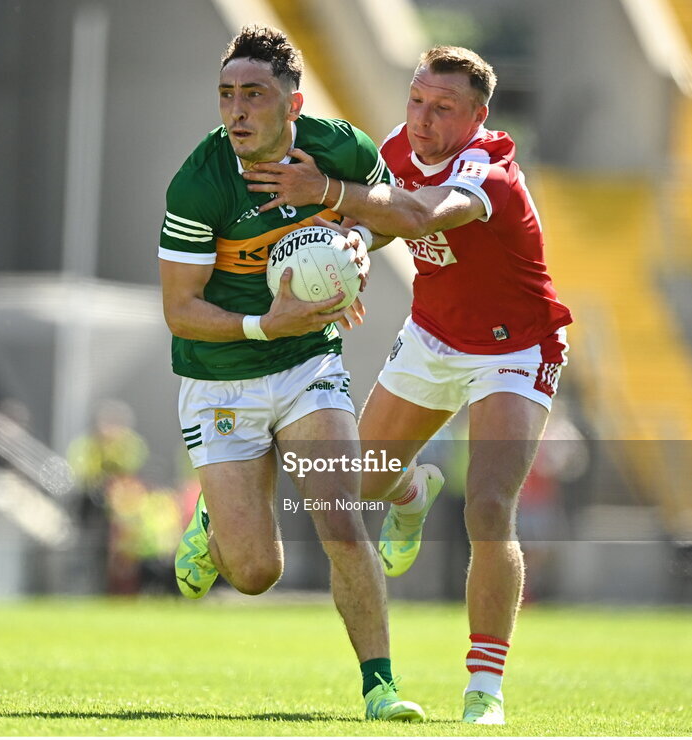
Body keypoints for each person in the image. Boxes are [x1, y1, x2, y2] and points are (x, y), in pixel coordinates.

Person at [243, 45, 573, 725]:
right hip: (432, 337)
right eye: (416, 100)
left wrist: (329, 193)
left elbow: (422, 216)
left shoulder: (489, 172)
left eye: (442, 108)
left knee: (488, 508)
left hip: (515, 348)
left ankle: (484, 689)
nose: (422, 119)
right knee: (359, 483)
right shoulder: (397, 148)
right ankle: (411, 492)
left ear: (477, 116)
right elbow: (385, 221)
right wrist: (353, 250)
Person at [158, 26, 424, 722]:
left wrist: (357, 238)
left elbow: (391, 211)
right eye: (226, 95)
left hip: (308, 362)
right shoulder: (200, 183)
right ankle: (214, 519)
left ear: (293, 103)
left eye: (254, 94)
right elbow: (181, 311)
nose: (237, 110)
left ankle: (380, 688)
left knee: (340, 519)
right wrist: (262, 324)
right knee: (255, 573)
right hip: (221, 376)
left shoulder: (340, 148)